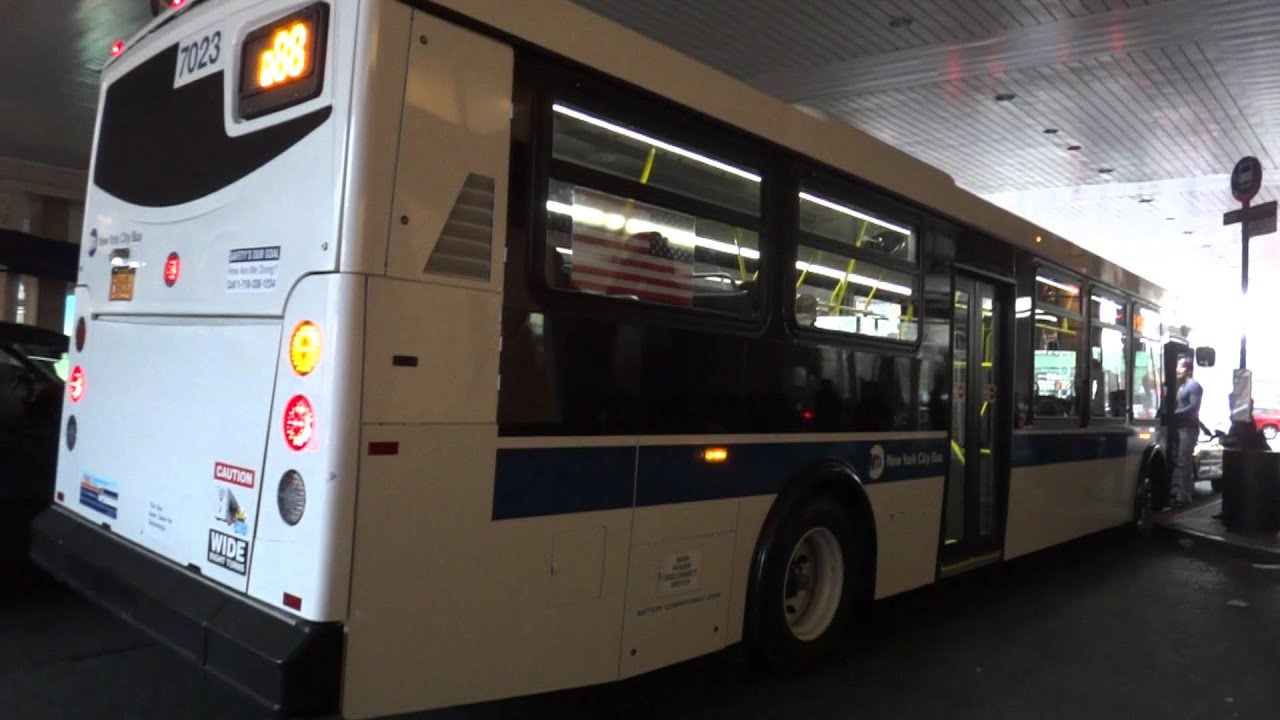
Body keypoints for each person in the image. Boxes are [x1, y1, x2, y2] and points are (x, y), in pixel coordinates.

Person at [1169, 356, 1203, 509]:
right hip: (1180, 427)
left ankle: (1184, 496)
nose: (1177, 370)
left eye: (1181, 367)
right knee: (1178, 460)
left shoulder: (1194, 386)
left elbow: (1194, 406)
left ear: (1189, 369)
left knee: (1184, 461)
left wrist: (1175, 413)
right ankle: (1176, 491)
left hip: (1188, 428)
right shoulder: (1181, 386)